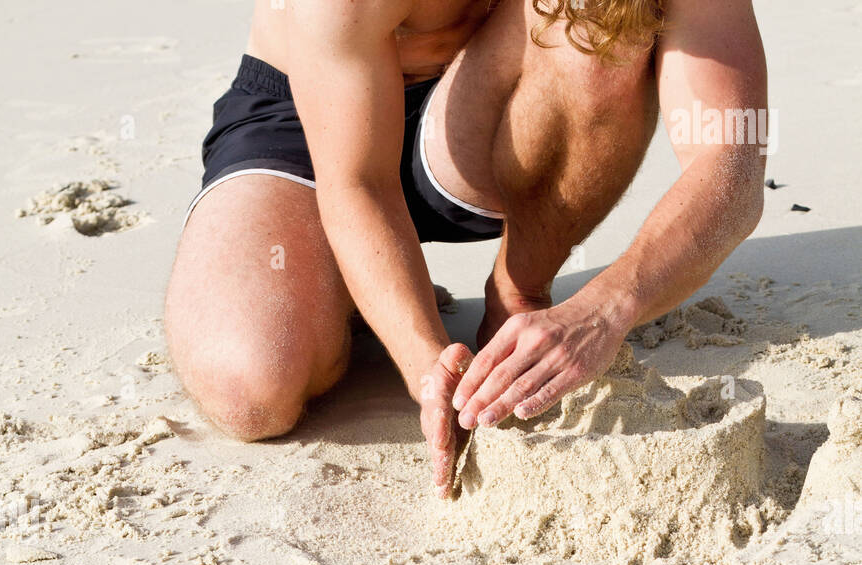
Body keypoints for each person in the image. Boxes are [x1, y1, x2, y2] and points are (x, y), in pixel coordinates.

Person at [165, 1, 767, 496]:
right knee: (251, 391)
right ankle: (342, 288)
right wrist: (427, 366)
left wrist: (604, 310)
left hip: (484, 118)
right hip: (303, 120)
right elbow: (357, 183)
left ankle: (517, 293)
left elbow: (731, 166)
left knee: (605, 15)